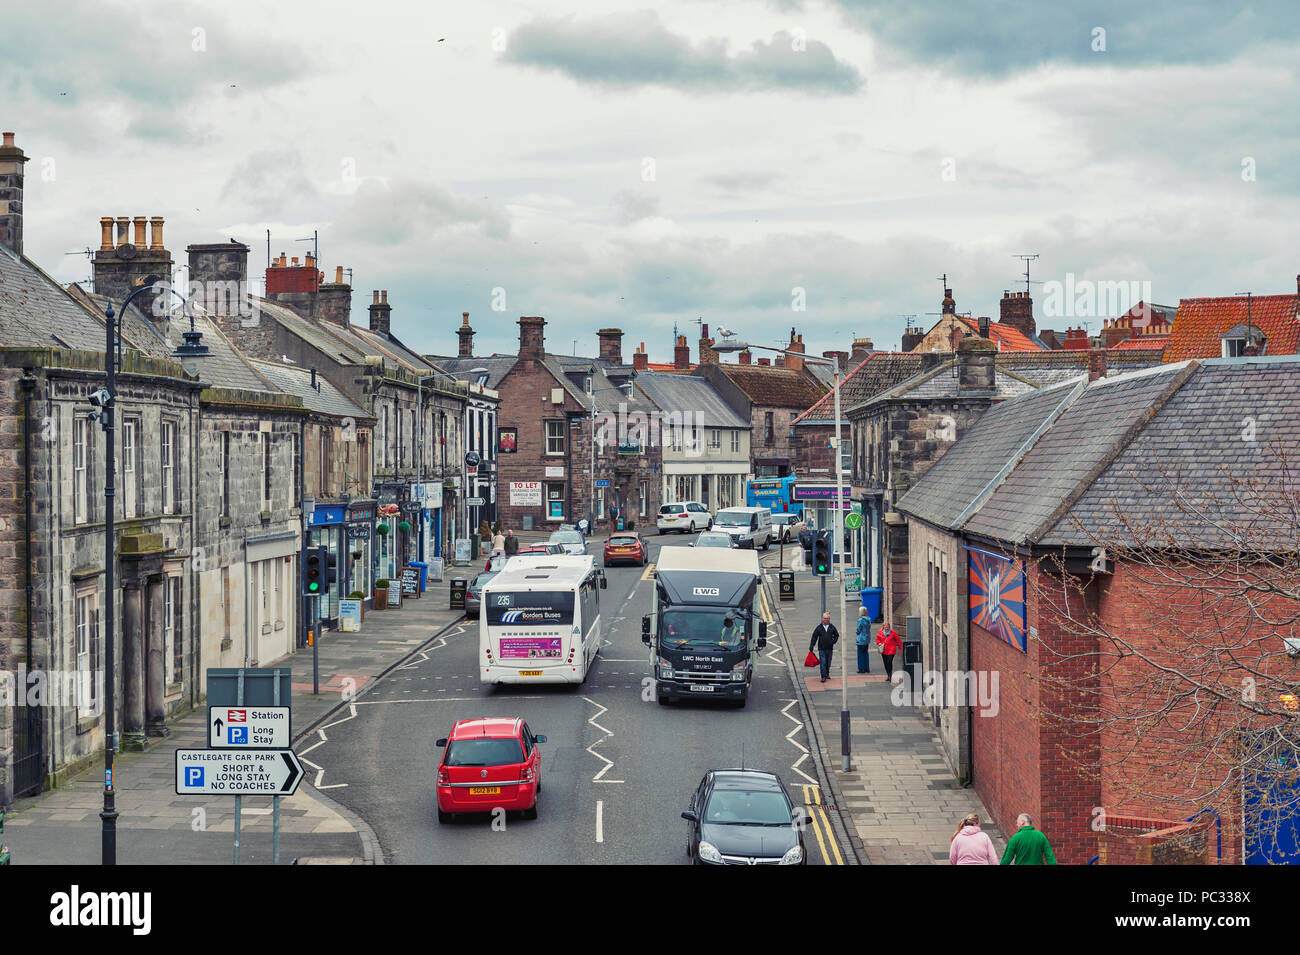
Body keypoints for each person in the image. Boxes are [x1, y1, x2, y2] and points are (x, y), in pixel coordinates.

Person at [808, 612, 839, 683]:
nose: (826, 620)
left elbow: (836, 635)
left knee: (828, 662)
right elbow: (814, 637)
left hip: (829, 648)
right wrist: (811, 646)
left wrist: (833, 641)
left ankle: (827, 673)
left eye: (827, 618)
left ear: (829, 619)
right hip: (821, 648)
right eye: (825, 618)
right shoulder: (819, 628)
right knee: (823, 662)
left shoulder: (832, 627)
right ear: (822, 619)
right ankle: (823, 676)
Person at [855, 607, 872, 674]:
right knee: (865, 654)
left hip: (861, 639)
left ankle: (861, 668)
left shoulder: (860, 620)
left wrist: (857, 632)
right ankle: (867, 668)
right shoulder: (869, 619)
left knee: (860, 655)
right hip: (867, 638)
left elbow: (858, 629)